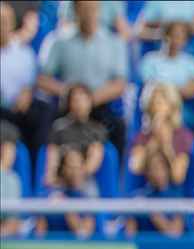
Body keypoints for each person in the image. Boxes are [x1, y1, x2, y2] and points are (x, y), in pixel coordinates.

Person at [37, 0, 128, 162]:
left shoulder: (114, 43)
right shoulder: (58, 41)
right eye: (84, 9)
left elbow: (120, 83)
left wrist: (89, 99)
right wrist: (71, 95)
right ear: (75, 11)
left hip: (98, 107)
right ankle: (43, 176)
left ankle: (115, 180)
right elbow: (43, 79)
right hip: (66, 107)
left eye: (93, 9)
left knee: (118, 127)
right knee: (42, 122)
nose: (89, 14)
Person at [1, 1, 54, 167]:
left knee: (43, 112)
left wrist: (27, 92)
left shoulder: (24, 53)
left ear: (12, 24)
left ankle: (36, 169)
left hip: (18, 110)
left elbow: (29, 84)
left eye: (4, 22)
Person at [129, 82, 194, 188]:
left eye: (161, 102)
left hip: (174, 195)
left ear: (172, 106)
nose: (156, 107)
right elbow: (136, 168)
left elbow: (177, 177)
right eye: (153, 103)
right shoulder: (141, 137)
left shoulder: (184, 136)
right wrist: (154, 140)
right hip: (146, 193)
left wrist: (166, 145)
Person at [45, 84, 105, 187]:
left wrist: (78, 173)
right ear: (69, 103)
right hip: (62, 178)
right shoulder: (58, 127)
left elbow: (94, 158)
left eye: (83, 100)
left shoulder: (97, 129)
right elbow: (52, 153)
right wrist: (51, 174)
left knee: (75, 160)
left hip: (84, 179)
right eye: (76, 100)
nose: (80, 104)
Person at [35, 148, 99, 238]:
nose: (75, 172)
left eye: (78, 167)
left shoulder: (87, 199)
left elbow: (84, 234)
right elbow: (40, 236)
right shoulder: (48, 197)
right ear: (62, 169)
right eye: (71, 167)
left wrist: (68, 210)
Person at [138, 21, 194, 102]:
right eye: (173, 35)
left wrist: (164, 88)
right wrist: (178, 89)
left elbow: (191, 91)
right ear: (166, 36)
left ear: (185, 40)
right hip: (155, 103)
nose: (175, 41)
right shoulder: (149, 59)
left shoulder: (192, 62)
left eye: (179, 37)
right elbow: (149, 88)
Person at [125, 150, 185, 237]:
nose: (154, 173)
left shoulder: (178, 197)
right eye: (150, 169)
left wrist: (150, 209)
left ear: (167, 169)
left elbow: (175, 233)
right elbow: (130, 236)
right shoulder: (138, 198)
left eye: (157, 168)